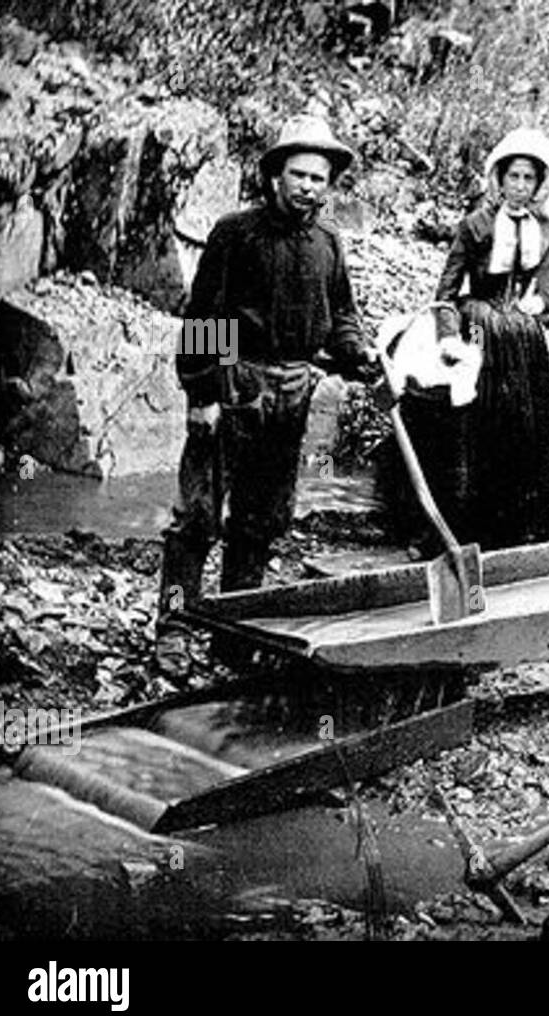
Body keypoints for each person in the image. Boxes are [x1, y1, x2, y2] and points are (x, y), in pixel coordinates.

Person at [155, 114, 379, 676]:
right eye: (298, 174)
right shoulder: (236, 233)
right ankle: (176, 629)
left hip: (293, 390)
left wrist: (359, 352)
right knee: (198, 517)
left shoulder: (328, 242)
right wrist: (203, 393)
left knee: (260, 519)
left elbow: (341, 316)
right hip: (236, 383)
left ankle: (234, 631)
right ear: (275, 175)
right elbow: (205, 316)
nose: (308, 186)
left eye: (319, 179)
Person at [398, 127, 549, 551]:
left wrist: (544, 300)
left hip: (523, 339)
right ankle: (457, 533)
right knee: (470, 431)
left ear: (539, 184)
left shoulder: (547, 228)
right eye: (513, 177)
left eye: (529, 178)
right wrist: (450, 339)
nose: (520, 186)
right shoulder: (474, 226)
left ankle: (514, 531)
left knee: (524, 432)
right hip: (479, 331)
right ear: (498, 180)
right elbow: (445, 293)